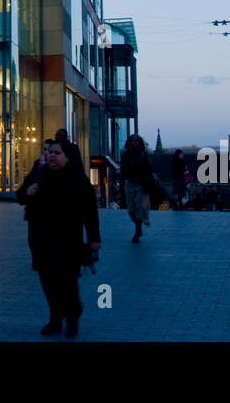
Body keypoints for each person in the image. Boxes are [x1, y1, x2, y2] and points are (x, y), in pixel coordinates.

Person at [21, 139, 100, 337]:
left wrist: (94, 239)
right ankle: (55, 318)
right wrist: (26, 193)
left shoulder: (78, 180)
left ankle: (73, 314)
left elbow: (90, 212)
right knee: (47, 281)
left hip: (68, 240)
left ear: (67, 157)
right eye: (50, 152)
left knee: (67, 282)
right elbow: (20, 194)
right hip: (40, 238)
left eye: (57, 153)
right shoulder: (40, 173)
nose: (52, 156)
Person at [118, 135, 156, 243]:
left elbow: (150, 170)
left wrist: (149, 184)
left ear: (140, 143)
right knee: (131, 209)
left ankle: (137, 230)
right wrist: (121, 187)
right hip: (130, 183)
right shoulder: (125, 155)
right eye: (131, 141)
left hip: (142, 184)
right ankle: (138, 223)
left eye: (135, 141)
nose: (133, 143)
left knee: (140, 205)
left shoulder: (144, 155)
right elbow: (122, 172)